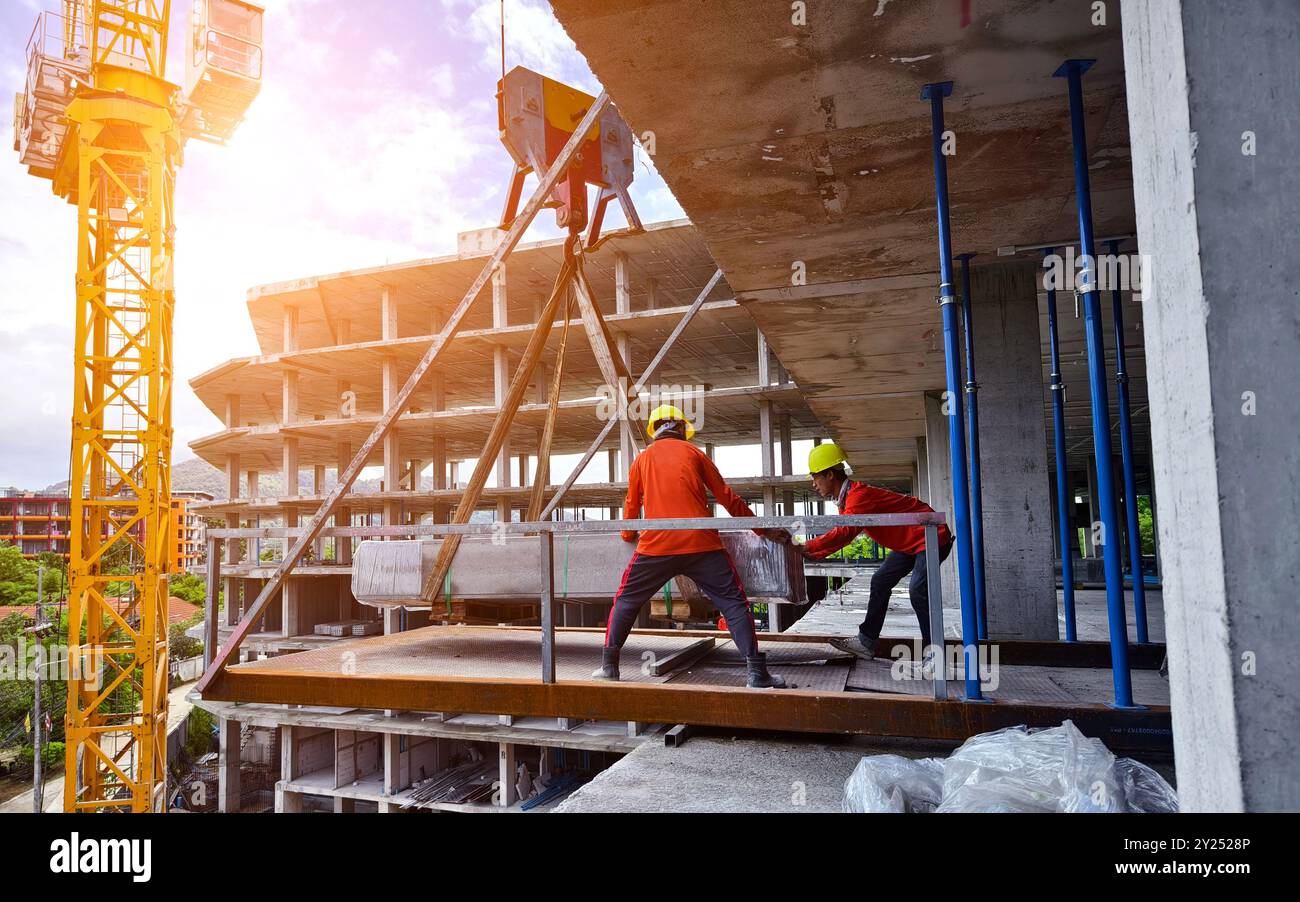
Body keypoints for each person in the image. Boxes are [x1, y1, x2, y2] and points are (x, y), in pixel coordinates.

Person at [593, 404, 789, 689]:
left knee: (627, 600)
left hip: (656, 547)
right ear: (682, 428)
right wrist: (764, 529)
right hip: (702, 545)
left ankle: (609, 667)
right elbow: (727, 497)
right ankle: (757, 674)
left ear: (655, 430)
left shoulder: (642, 460)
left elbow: (632, 505)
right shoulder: (696, 454)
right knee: (733, 604)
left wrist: (626, 534)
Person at [790, 442, 952, 662]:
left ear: (829, 475)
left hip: (930, 537)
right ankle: (866, 642)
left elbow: (845, 532)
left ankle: (936, 656)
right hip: (911, 543)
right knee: (880, 582)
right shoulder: (847, 499)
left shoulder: (857, 497)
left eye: (815, 477)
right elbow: (845, 532)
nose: (813, 484)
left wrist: (807, 548)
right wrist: (813, 553)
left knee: (918, 592)